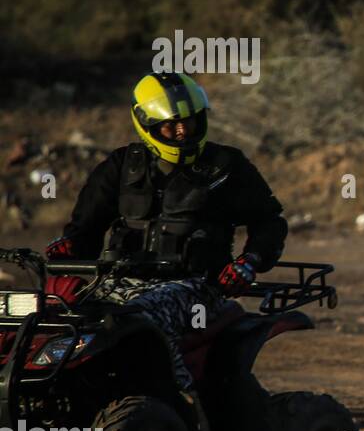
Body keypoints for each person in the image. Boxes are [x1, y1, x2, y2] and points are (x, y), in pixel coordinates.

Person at [46, 72, 288, 413]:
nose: (182, 132)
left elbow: (269, 222)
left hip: (197, 287)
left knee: (139, 321)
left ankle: (185, 407)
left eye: (190, 123)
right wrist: (67, 248)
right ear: (146, 124)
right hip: (118, 283)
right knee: (55, 320)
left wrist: (249, 263)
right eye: (170, 126)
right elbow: (83, 232)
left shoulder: (226, 167)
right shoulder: (120, 167)